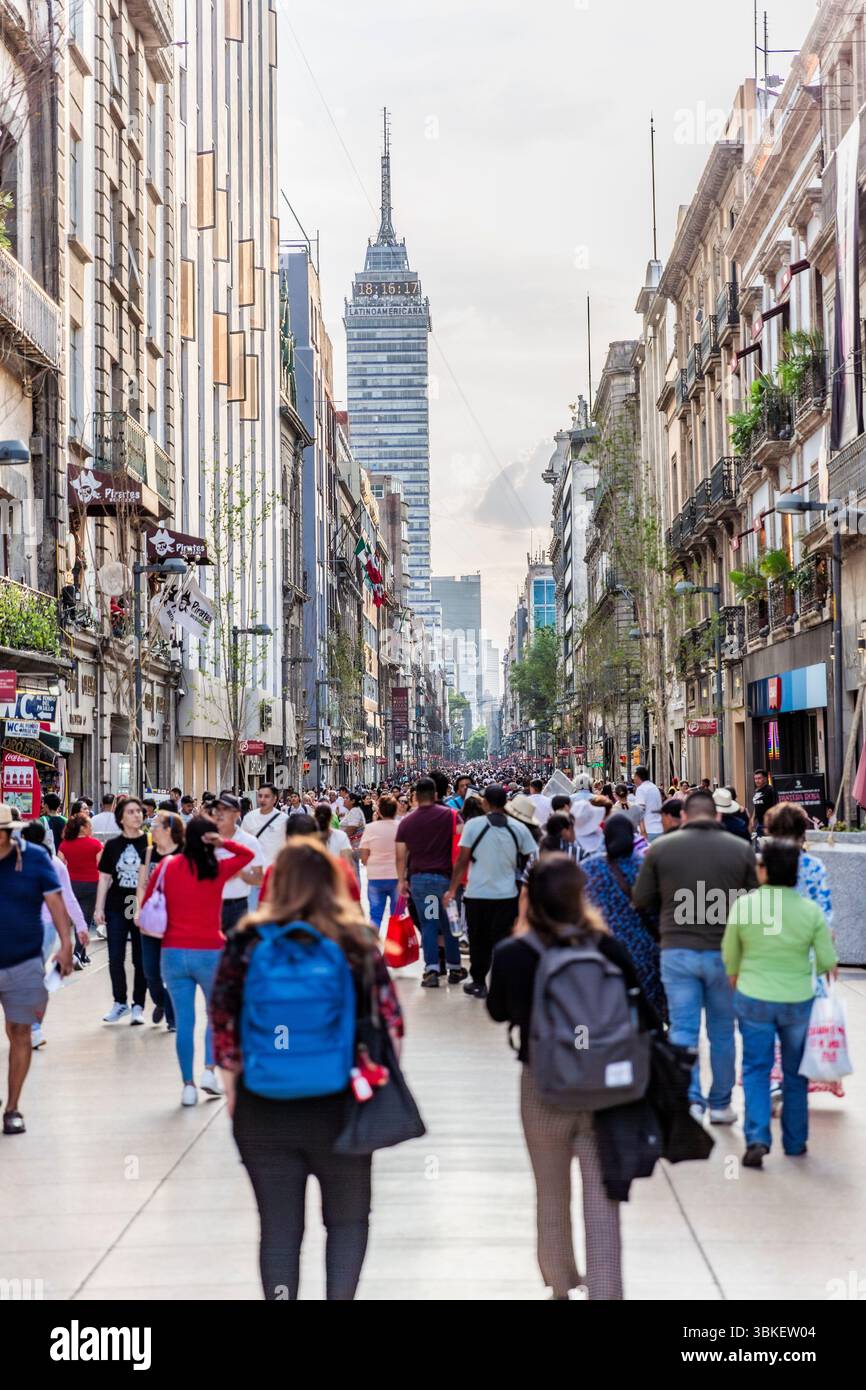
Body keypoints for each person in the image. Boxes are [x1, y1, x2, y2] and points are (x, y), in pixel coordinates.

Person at [210, 839, 404, 1300]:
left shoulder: (247, 941)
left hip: (264, 1104)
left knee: (278, 1229)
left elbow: (222, 1026)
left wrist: (236, 1093)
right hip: (341, 1105)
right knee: (348, 1222)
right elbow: (391, 1025)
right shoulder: (356, 941)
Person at [486, 854, 657, 1301]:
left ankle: (561, 1284)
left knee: (551, 1192)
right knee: (604, 1198)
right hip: (605, 1089)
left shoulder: (514, 953)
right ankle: (606, 1288)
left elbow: (497, 1009)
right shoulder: (606, 947)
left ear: (530, 897)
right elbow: (643, 1015)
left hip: (544, 1083)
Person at [633, 788, 758, 1124]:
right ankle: (721, 1103)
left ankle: (689, 1101)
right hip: (725, 954)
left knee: (683, 1029)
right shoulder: (741, 849)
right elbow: (755, 904)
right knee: (722, 1030)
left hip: (677, 950)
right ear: (717, 816)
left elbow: (641, 899)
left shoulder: (660, 848)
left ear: (684, 816)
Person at [722, 838, 838, 1168]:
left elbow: (730, 955)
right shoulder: (810, 910)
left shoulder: (745, 906)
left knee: (756, 1068)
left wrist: (735, 976)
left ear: (764, 871)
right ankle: (796, 1141)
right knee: (795, 1073)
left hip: (754, 997)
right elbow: (827, 959)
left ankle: (758, 1136)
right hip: (797, 1000)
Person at [142, 816, 254, 1106]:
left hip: (173, 952)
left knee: (184, 1021)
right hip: (210, 951)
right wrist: (223, 842)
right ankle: (208, 1071)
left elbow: (146, 904)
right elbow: (247, 855)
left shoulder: (167, 867)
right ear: (209, 839)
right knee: (214, 1016)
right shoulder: (216, 868)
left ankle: (187, 1086)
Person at [0, 803, 73, 1133]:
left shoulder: (33, 858)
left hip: (24, 960)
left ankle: (13, 1107)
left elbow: (55, 901)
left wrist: (66, 946)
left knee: (20, 1032)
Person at [445, 784, 537, 999]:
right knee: (503, 941)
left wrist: (452, 889)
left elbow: (462, 859)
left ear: (485, 803)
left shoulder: (473, 825)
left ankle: (478, 982)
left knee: (478, 940)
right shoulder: (518, 828)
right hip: (507, 895)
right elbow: (533, 858)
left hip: (476, 894)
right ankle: (503, 983)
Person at [580, 814, 665, 1021]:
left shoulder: (589, 869)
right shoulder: (645, 866)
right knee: (648, 1009)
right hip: (644, 952)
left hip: (603, 952)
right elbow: (656, 910)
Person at [395, 777, 464, 988]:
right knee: (450, 923)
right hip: (447, 881)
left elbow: (400, 855)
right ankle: (454, 968)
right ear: (436, 795)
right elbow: (462, 846)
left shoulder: (407, 822)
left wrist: (401, 880)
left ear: (415, 796)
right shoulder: (452, 816)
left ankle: (431, 969)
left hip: (421, 881)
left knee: (429, 924)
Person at [94, 797, 150, 1024]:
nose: (137, 815)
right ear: (121, 817)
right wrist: (98, 907)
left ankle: (138, 1005)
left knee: (140, 958)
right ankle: (120, 1002)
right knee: (115, 956)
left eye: (139, 811)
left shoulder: (149, 844)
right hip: (117, 904)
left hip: (139, 904)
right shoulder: (112, 845)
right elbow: (105, 877)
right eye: (131, 812)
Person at [135, 811, 184, 1030]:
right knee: (151, 971)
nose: (151, 830)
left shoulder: (185, 854)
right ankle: (161, 1002)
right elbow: (141, 885)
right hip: (152, 920)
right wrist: (140, 910)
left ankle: (173, 1018)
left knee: (172, 971)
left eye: (155, 826)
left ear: (168, 830)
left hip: (176, 921)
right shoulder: (148, 853)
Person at [213, 793, 265, 930]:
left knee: (236, 949)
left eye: (225, 809)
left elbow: (259, 878)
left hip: (237, 906)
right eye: (217, 809)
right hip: (210, 904)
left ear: (237, 814)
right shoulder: (207, 838)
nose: (219, 813)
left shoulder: (249, 841)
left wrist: (238, 873)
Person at [59, 812, 103, 964]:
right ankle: (77, 953)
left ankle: (83, 955)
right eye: (90, 825)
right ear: (83, 828)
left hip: (71, 885)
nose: (92, 828)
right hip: (91, 885)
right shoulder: (96, 844)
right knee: (84, 919)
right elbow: (101, 866)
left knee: (77, 920)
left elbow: (59, 865)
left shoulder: (65, 844)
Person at [359, 794, 399, 934]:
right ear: (396, 810)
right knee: (398, 916)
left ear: (379, 811)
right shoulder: (401, 826)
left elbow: (363, 856)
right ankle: (395, 950)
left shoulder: (370, 828)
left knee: (375, 916)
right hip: (397, 878)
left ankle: (372, 950)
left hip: (375, 878)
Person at [241, 784, 288, 871]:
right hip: (253, 871)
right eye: (260, 796)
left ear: (274, 799)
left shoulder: (284, 819)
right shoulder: (249, 818)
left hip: (275, 871)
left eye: (266, 796)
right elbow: (242, 843)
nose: (262, 799)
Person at [632, 766, 663, 841]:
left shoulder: (641, 789)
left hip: (648, 831)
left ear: (637, 776)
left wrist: (643, 832)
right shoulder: (654, 787)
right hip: (659, 829)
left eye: (634, 776)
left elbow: (640, 812)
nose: (634, 779)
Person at [339, 792, 367, 875]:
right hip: (352, 845)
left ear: (353, 801)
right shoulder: (352, 811)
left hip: (353, 846)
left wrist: (340, 839)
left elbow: (352, 828)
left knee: (354, 872)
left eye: (347, 798)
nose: (344, 800)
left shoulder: (355, 811)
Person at [751, 768, 778, 837]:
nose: (757, 781)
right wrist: (753, 819)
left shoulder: (770, 790)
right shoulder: (757, 791)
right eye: (755, 779)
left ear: (765, 779)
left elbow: (776, 807)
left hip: (769, 824)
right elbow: (756, 805)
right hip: (760, 824)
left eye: (759, 778)